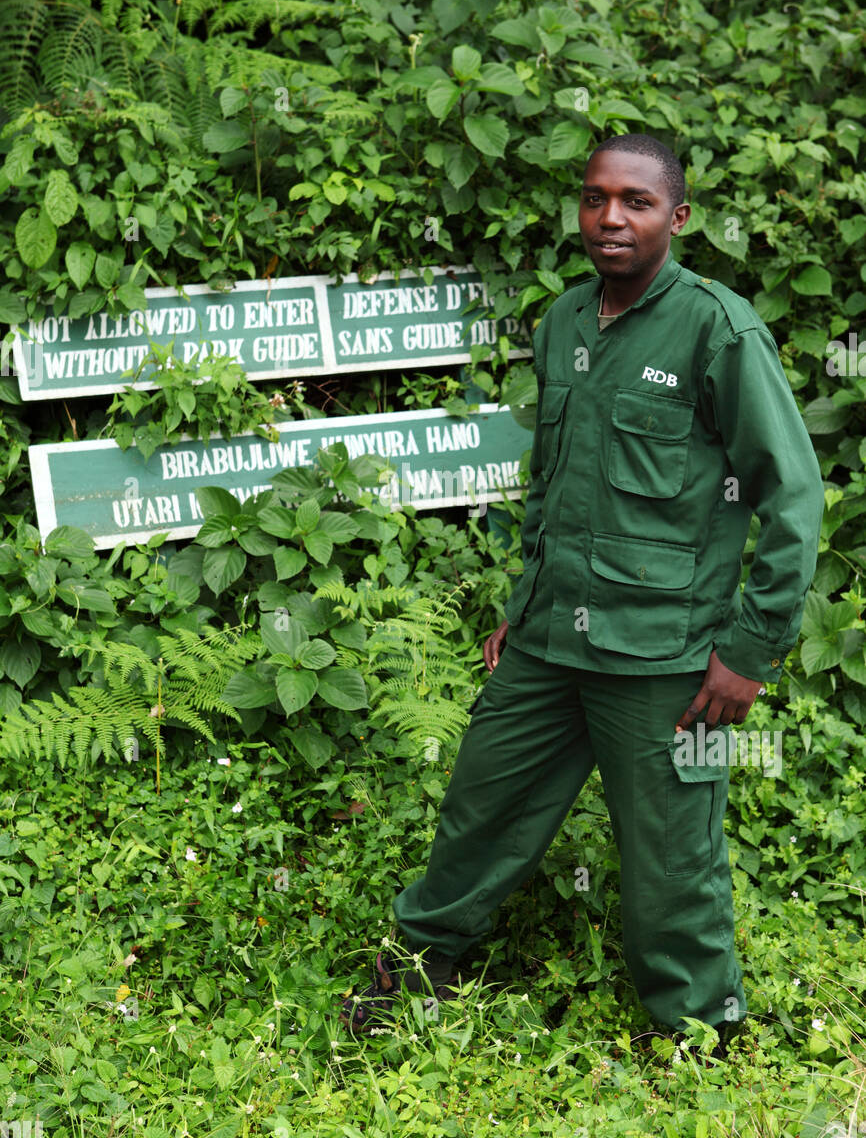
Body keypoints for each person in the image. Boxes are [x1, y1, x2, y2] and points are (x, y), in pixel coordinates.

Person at [340, 133, 825, 1050]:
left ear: (677, 218)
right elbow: (555, 479)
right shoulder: (564, 321)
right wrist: (524, 604)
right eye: (596, 197)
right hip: (551, 641)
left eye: (637, 202)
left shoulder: (719, 330)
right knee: (481, 806)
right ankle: (419, 972)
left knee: (670, 859)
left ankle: (694, 1033)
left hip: (665, 658)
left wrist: (748, 653)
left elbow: (793, 496)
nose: (611, 217)